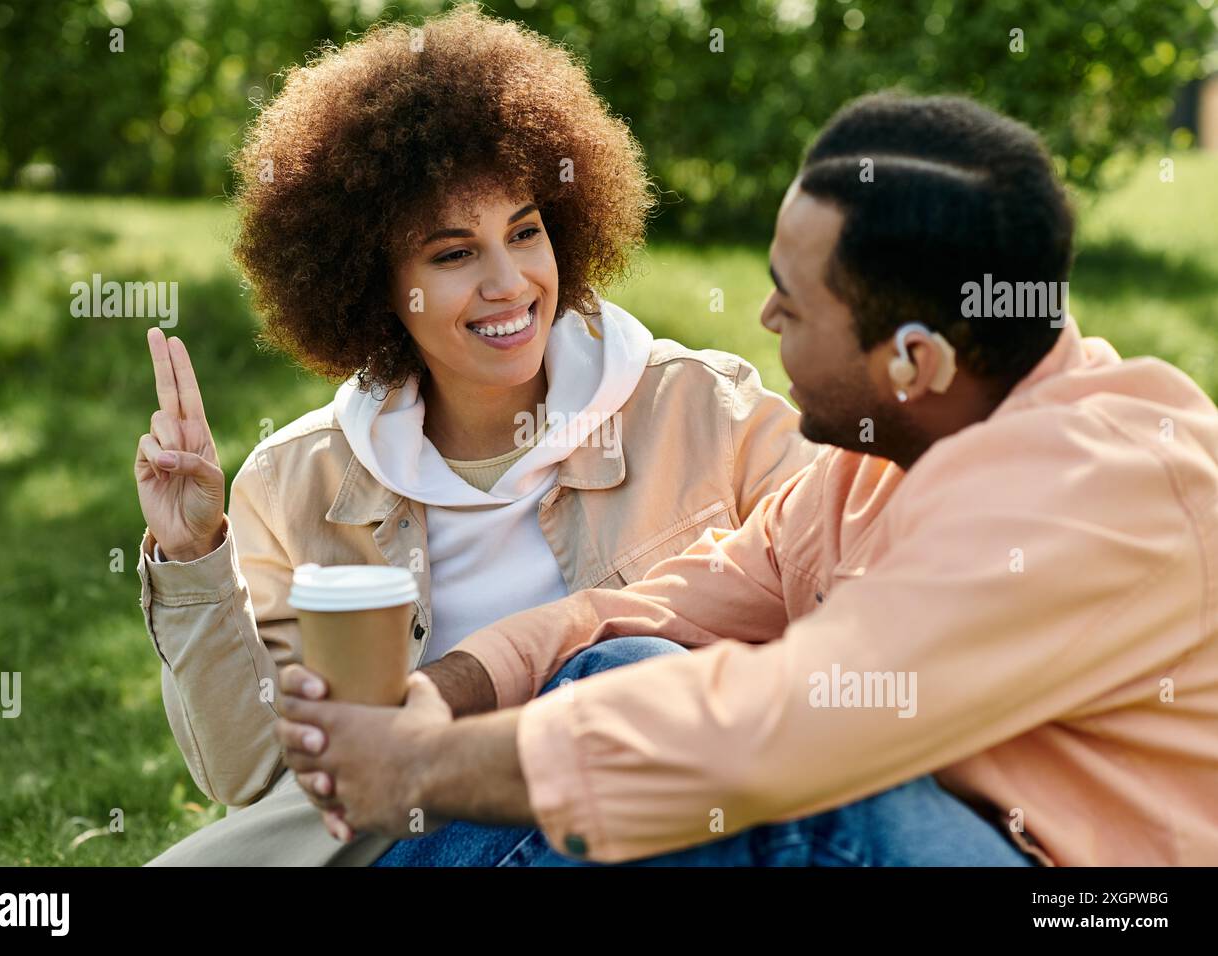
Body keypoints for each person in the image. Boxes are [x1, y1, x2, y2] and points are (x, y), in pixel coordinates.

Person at [277, 91, 1218, 867]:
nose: (764, 316)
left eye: (796, 303)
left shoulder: (1086, 494)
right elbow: (652, 608)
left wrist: (426, 769)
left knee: (780, 802)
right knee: (624, 672)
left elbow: (769, 731)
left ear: (915, 362)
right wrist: (450, 689)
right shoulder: (875, 458)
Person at [135, 4, 815, 866]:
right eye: (453, 254)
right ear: (375, 282)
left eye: (525, 233)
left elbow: (847, 594)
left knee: (629, 673)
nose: (510, 284)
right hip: (411, 841)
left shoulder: (707, 411)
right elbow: (248, 772)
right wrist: (192, 551)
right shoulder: (296, 483)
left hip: (656, 821)